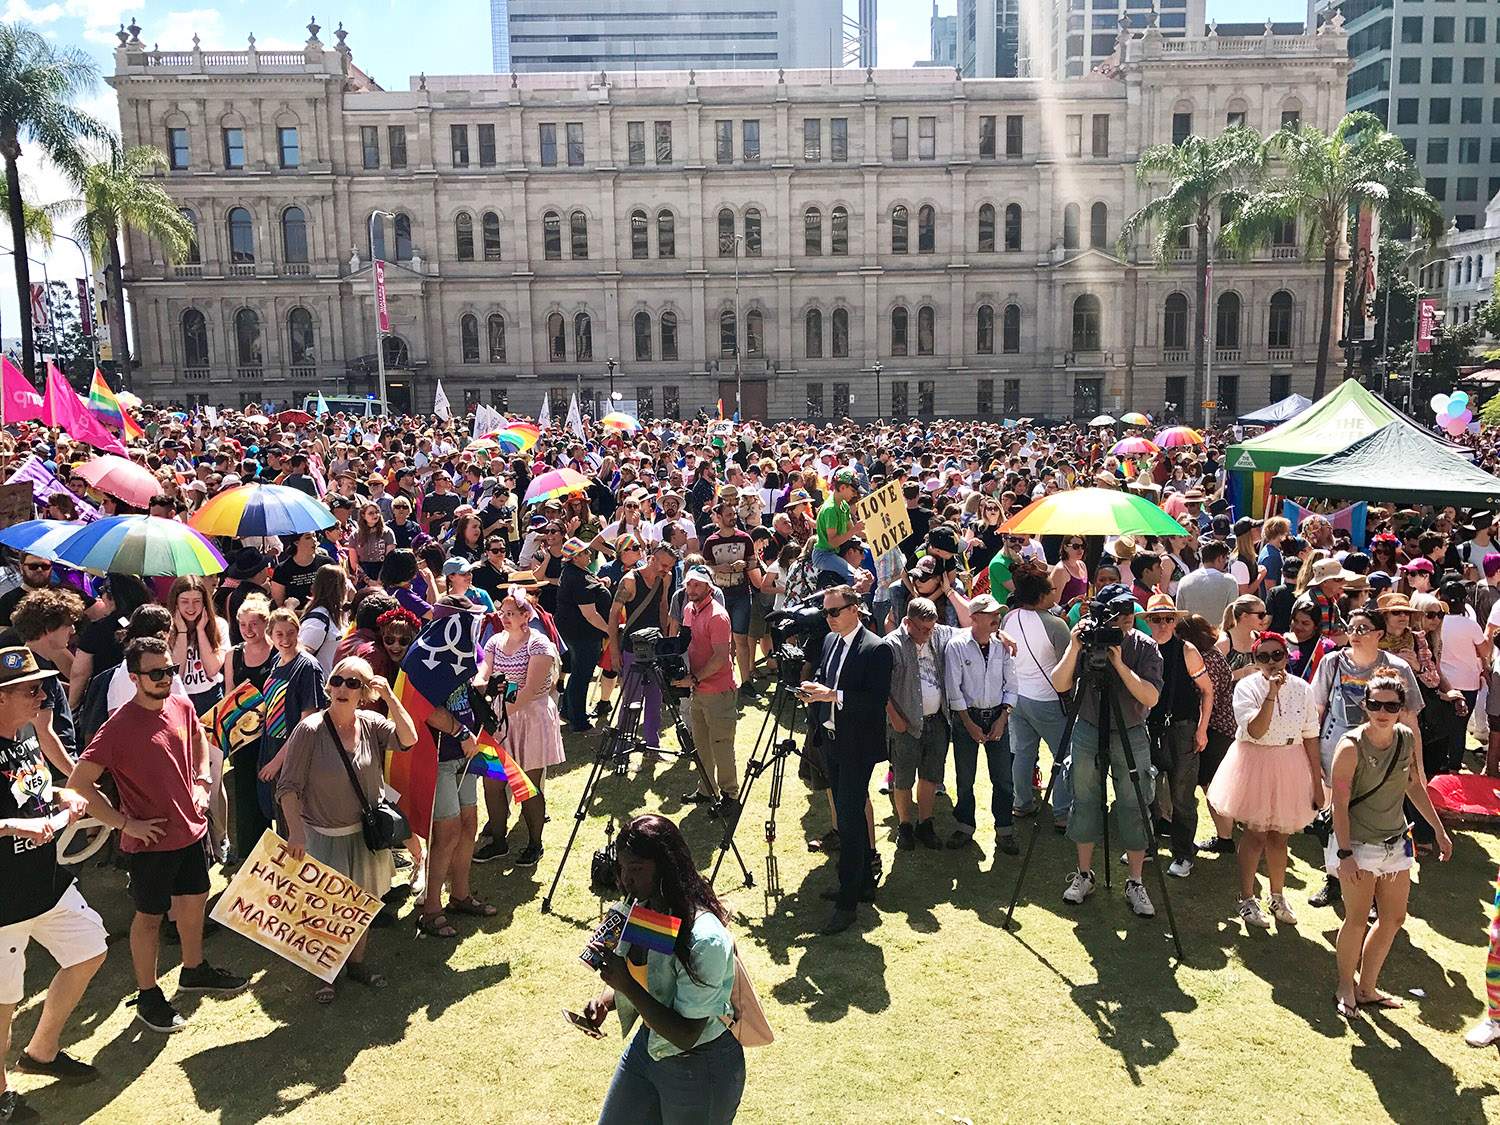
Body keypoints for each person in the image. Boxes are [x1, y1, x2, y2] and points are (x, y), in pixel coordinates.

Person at [69, 637, 248, 1035]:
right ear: (134, 678)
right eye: (156, 673)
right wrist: (124, 823)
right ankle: (148, 995)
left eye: (169, 670)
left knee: (194, 901)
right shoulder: (117, 728)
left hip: (191, 832)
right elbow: (79, 783)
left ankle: (194, 968)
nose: (166, 678)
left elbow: (200, 736)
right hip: (150, 845)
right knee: (149, 918)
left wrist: (202, 779)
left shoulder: (181, 705)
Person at [0, 646, 107, 1120]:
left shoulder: (23, 737)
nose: (43, 695)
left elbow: (35, 790)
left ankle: (41, 1051)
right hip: (4, 904)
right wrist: (9, 825)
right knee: (3, 1006)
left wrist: (60, 795)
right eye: (31, 689)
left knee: (90, 951)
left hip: (47, 885)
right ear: (0, 697)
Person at [582, 815, 744, 1124]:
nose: (625, 880)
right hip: (651, 1047)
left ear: (666, 867)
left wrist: (626, 985)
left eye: (637, 869)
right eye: (622, 868)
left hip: (699, 1065)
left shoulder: (704, 938)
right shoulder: (650, 904)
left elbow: (687, 1034)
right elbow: (649, 973)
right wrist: (607, 999)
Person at [275, 656, 418, 1003]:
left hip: (364, 837)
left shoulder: (371, 723)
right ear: (328, 686)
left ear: (364, 693)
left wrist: (392, 699)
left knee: (363, 905)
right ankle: (325, 973)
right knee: (323, 910)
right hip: (322, 836)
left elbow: (409, 738)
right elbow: (287, 787)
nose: (342, 688)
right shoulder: (309, 730)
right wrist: (295, 832)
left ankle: (356, 964)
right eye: (337, 680)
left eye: (353, 684)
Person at [1327, 673, 1452, 1020]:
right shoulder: (1350, 746)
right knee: (1356, 920)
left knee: (1394, 918)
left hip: (1396, 842)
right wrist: (1345, 853)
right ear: (1365, 705)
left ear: (1401, 708)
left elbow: (1413, 785)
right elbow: (1339, 803)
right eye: (1375, 704)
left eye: (1391, 705)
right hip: (1359, 844)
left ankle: (1367, 989)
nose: (1383, 711)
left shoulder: (1407, 738)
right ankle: (1344, 986)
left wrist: (1438, 830)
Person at [1051, 583, 1164, 918]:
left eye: (1129, 611)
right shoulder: (1084, 643)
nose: (1125, 618)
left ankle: (1135, 881)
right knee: (1084, 799)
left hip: (1130, 731)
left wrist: (1118, 664)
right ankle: (1084, 875)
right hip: (1088, 727)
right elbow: (1060, 683)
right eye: (1117, 612)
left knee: (1134, 803)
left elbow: (1150, 698)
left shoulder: (1144, 647)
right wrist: (1074, 647)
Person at [1308, 606, 1425, 908]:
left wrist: (1418, 766)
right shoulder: (1332, 663)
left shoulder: (1397, 668)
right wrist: (1307, 760)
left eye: (1362, 629)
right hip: (1334, 753)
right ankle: (1334, 881)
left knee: (1377, 820)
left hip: (1384, 759)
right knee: (1333, 818)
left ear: (1379, 634)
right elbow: (1315, 712)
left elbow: (1411, 720)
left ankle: (1374, 892)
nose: (1355, 635)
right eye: (1351, 629)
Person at [1206, 633, 1322, 928]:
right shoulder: (1246, 687)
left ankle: (1277, 895)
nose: (1272, 663)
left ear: (1286, 655)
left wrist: (1317, 783)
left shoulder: (1303, 689)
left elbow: (1310, 736)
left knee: (1280, 835)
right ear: (1256, 661)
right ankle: (1247, 897)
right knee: (1255, 833)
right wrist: (1271, 694)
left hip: (1289, 762)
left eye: (1277, 655)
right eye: (1264, 657)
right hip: (1255, 761)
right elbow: (1256, 730)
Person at [801, 583, 893, 935]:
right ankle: (854, 883)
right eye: (825, 612)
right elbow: (827, 679)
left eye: (834, 611)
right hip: (832, 741)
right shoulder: (829, 641)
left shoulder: (876, 649)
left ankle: (848, 901)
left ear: (855, 608)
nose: (828, 618)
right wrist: (816, 693)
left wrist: (833, 695)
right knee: (845, 816)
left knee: (852, 820)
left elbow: (875, 701)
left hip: (857, 746)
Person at [473, 587, 562, 867]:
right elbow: (483, 674)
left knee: (528, 786)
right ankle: (498, 840)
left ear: (526, 615)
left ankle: (535, 843)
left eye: (511, 613)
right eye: (503, 613)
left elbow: (532, 689)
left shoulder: (539, 644)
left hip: (529, 718)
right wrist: (478, 690)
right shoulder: (494, 642)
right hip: (499, 715)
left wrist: (498, 714)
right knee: (492, 783)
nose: (505, 617)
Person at [1142, 593, 1212, 879]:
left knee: (1182, 797)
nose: (1163, 624)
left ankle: (1183, 854)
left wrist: (1202, 729)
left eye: (1168, 618)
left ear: (1175, 621)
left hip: (1181, 729)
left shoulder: (1187, 651)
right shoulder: (1139, 648)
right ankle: (1145, 847)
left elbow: (1208, 691)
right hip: (1146, 729)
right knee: (1145, 793)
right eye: (1157, 619)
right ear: (1148, 621)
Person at [943, 593, 1019, 854]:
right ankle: (965, 826)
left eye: (998, 614)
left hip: (998, 715)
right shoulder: (956, 646)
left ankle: (1005, 830)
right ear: (974, 618)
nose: (996, 618)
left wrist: (1003, 718)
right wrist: (968, 723)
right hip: (967, 717)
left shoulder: (1002, 646)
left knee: (1003, 779)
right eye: (990, 614)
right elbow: (954, 689)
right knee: (965, 778)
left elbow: (1012, 685)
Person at [1001, 561, 1074, 833]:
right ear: (1043, 596)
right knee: (1064, 755)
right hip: (1047, 700)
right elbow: (1069, 666)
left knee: (1023, 752)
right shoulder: (1055, 625)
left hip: (1018, 697)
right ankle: (1062, 812)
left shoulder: (1009, 617)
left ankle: (1022, 802)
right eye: (1052, 590)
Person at [885, 596, 955, 851]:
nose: (927, 634)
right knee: (903, 778)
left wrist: (1002, 636)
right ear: (907, 622)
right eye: (922, 628)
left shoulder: (938, 634)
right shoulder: (891, 645)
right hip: (905, 723)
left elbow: (970, 631)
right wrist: (895, 719)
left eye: (931, 628)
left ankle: (926, 824)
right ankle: (905, 825)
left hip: (937, 720)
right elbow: (880, 687)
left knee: (930, 776)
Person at [676, 568, 739, 814]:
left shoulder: (717, 616)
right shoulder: (689, 610)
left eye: (697, 586)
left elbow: (721, 658)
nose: (692, 590)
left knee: (722, 744)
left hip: (718, 691)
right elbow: (686, 641)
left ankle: (730, 795)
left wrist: (695, 678)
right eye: (689, 585)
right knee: (701, 743)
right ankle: (706, 789)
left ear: (709, 588)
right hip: (699, 690)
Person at [222, 594, 277, 863]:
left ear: (266, 623)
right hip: (244, 736)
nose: (248, 630)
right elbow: (229, 694)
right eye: (243, 625)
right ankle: (248, 853)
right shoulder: (233, 655)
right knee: (245, 792)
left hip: (274, 733)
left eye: (253, 624)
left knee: (275, 792)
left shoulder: (279, 651)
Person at [609, 542, 676, 753]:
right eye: (664, 565)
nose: (666, 570)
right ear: (652, 559)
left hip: (654, 646)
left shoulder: (666, 578)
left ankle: (652, 745)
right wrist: (613, 650)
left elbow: (663, 605)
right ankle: (623, 745)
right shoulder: (629, 581)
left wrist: (665, 638)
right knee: (631, 698)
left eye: (670, 566)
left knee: (655, 698)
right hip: (632, 647)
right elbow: (613, 614)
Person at [556, 537, 612, 733]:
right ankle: (579, 721)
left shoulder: (575, 572)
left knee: (578, 673)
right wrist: (609, 629)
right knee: (582, 675)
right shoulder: (577, 578)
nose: (589, 554)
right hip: (583, 635)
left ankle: (568, 711)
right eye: (585, 552)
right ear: (575, 557)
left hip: (575, 633)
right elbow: (590, 614)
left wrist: (601, 583)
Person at [167, 576, 227, 717]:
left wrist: (201, 631)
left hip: (211, 696)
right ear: (175, 603)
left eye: (197, 601)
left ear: (204, 603)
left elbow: (212, 669)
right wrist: (182, 632)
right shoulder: (166, 631)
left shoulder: (220, 625)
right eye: (184, 601)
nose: (191, 607)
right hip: (180, 696)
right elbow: (176, 673)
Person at [811, 469, 864, 582]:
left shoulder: (843, 505)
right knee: (854, 577)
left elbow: (855, 532)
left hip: (834, 552)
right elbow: (833, 542)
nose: (855, 494)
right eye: (853, 490)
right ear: (842, 488)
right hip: (824, 555)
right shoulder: (831, 509)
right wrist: (854, 530)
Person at [297, 564, 351, 675]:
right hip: (320, 687)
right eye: (345, 583)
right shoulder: (317, 621)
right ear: (337, 587)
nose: (348, 587)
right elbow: (300, 657)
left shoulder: (339, 614)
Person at [1175, 540, 1240, 624]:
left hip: (1190, 634)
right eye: (1225, 558)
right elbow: (1232, 614)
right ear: (1220, 558)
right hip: (1219, 634)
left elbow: (1179, 613)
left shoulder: (1184, 581)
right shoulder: (1229, 581)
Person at [270, 531, 332, 609]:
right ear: (296, 542)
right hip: (295, 618)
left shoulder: (327, 563)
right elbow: (280, 607)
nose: (314, 540)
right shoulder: (282, 570)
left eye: (315, 536)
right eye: (308, 537)